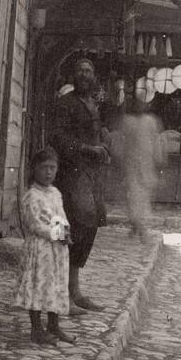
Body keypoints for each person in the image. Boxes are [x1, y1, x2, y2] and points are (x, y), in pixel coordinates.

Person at [48, 57, 110, 313]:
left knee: (91, 223)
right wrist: (86, 148)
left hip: (91, 175)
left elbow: (96, 134)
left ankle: (75, 290)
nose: (85, 74)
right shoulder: (65, 104)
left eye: (89, 71)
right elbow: (58, 137)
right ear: (73, 76)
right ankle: (59, 294)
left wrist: (104, 143)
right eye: (80, 71)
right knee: (71, 226)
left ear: (94, 76)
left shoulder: (92, 104)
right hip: (71, 173)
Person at [13, 148, 75, 346]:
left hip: (57, 250)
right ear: (35, 169)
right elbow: (35, 225)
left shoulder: (55, 193)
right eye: (44, 168)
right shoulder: (32, 196)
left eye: (52, 168)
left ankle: (54, 325)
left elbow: (62, 216)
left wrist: (66, 234)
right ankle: (36, 329)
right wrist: (58, 235)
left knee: (55, 285)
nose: (49, 172)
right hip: (40, 249)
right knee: (38, 285)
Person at [119, 94, 164, 236]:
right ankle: (136, 224)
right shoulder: (127, 121)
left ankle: (141, 224)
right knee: (132, 195)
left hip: (147, 163)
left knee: (144, 196)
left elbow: (156, 141)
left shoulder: (151, 121)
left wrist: (159, 159)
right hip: (131, 164)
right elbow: (122, 141)